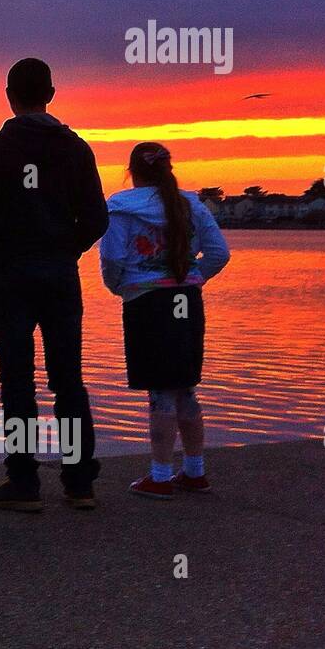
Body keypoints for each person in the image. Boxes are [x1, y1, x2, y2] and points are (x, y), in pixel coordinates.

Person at [0, 58, 108, 511]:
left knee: (16, 379)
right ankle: (79, 480)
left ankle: (24, 481)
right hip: (59, 275)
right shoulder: (76, 149)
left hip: (10, 275)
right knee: (68, 378)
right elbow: (96, 218)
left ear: (9, 96)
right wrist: (66, 249)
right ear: (51, 93)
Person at [100, 143, 230, 498]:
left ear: (132, 172)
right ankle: (194, 471)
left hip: (147, 302)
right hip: (186, 300)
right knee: (185, 386)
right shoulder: (191, 205)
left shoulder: (120, 208)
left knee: (160, 390)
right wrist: (192, 277)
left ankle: (159, 476)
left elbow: (112, 258)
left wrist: (120, 286)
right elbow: (219, 253)